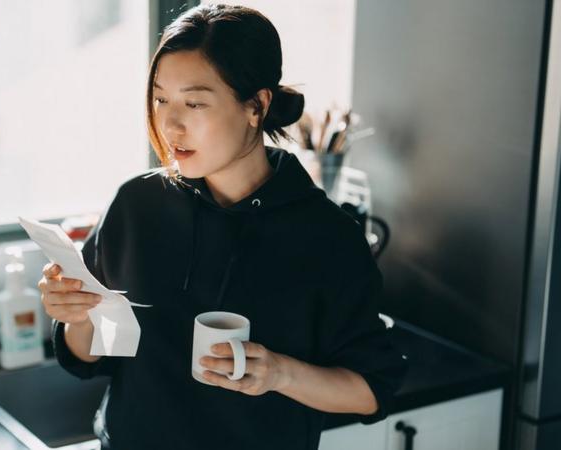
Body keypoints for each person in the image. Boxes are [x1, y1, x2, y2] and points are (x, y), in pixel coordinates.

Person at [38, 4, 407, 450]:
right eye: (160, 99)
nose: (171, 124)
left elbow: (372, 390)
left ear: (257, 105)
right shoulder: (136, 206)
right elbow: (88, 355)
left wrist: (279, 373)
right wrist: (75, 314)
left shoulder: (326, 235)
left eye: (194, 103)